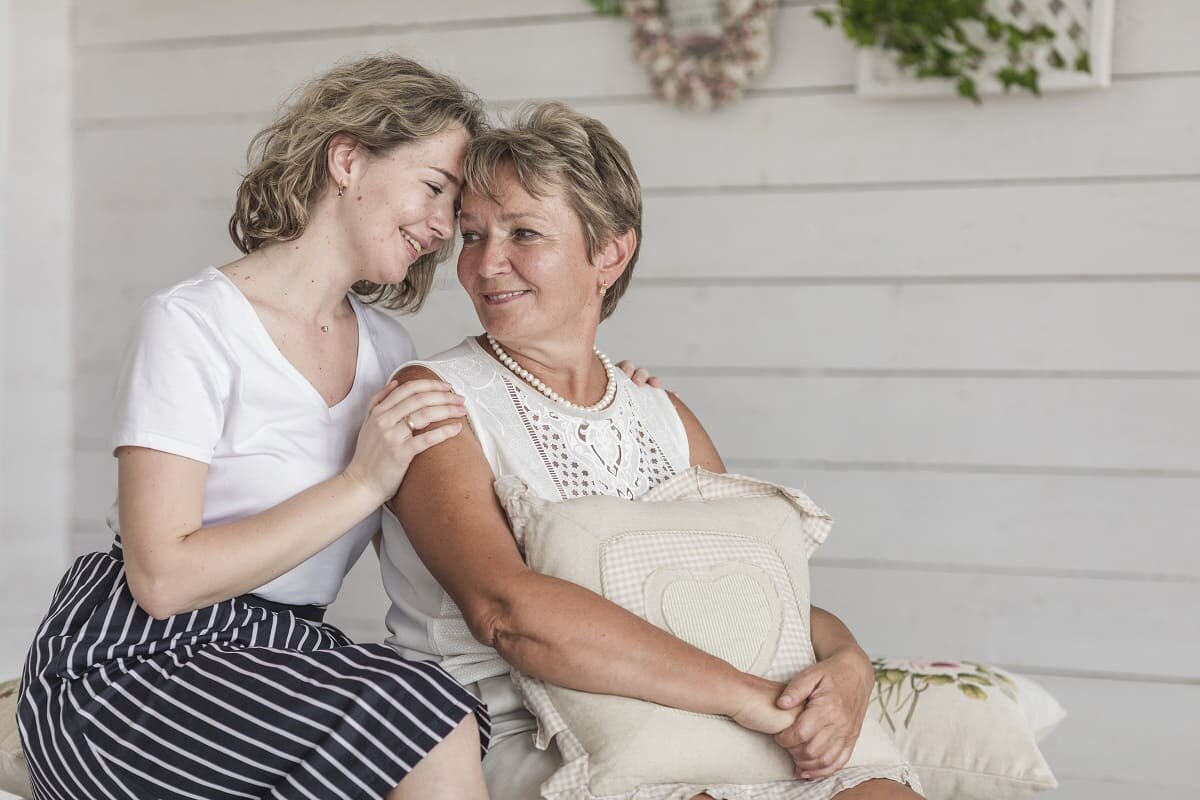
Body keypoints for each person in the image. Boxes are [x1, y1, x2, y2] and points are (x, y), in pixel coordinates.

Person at [379, 102, 925, 799]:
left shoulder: (664, 418)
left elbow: (755, 595)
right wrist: (743, 698)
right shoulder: (439, 402)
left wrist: (849, 664)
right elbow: (506, 611)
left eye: (523, 233)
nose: (487, 264)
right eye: (473, 234)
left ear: (609, 252)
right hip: (525, 728)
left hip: (705, 713)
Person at [17, 55, 493, 800]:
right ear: (347, 159)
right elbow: (162, 579)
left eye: (454, 210)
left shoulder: (389, 354)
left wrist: (603, 391)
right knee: (417, 714)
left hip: (278, 656)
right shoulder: (191, 324)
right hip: (135, 660)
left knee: (436, 705)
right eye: (435, 187)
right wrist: (361, 481)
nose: (442, 228)